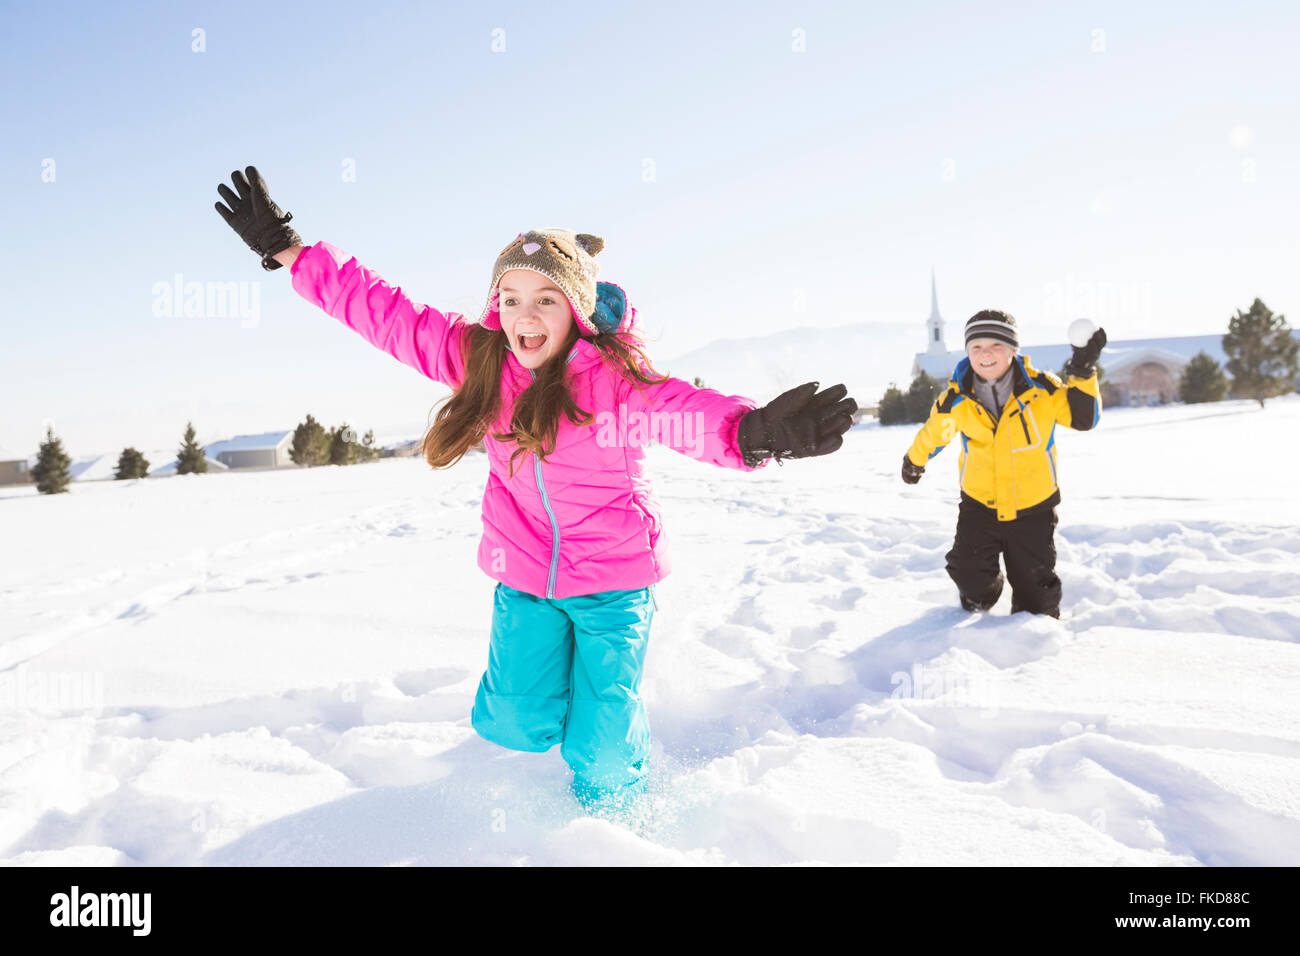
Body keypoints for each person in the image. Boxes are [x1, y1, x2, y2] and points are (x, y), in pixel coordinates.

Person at [213, 166, 858, 812]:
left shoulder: (615, 381)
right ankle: (583, 700)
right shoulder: (481, 363)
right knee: (512, 722)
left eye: (545, 299)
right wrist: (289, 251)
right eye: (512, 298)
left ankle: (614, 821)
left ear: (576, 309)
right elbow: (385, 311)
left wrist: (751, 433)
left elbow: (684, 411)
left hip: (613, 582)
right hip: (527, 578)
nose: (525, 315)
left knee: (602, 757)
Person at [900, 309, 1105, 619]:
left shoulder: (1042, 390)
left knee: (1036, 591)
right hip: (979, 505)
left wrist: (1083, 370)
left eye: (995, 345)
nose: (986, 354)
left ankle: (1035, 639)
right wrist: (914, 460)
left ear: (1012, 350)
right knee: (968, 572)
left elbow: (1083, 418)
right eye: (976, 347)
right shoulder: (955, 399)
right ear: (968, 353)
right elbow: (934, 434)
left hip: (1033, 507)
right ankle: (983, 596)